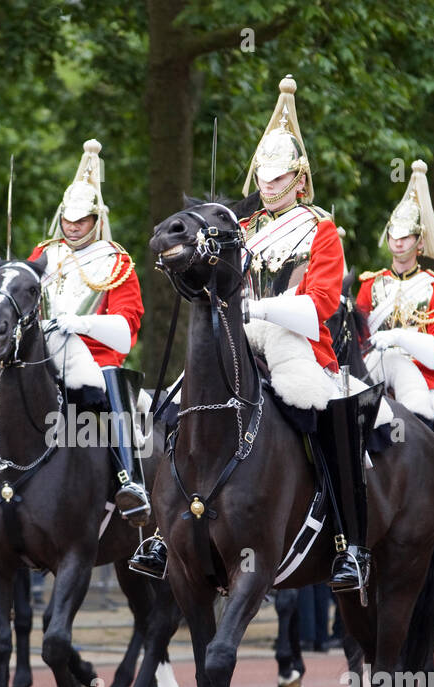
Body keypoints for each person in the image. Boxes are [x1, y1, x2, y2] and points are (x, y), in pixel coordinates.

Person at [131, 76, 375, 598]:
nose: (268, 184)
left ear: (299, 179)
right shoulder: (241, 228)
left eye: (279, 175)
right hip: (236, 334)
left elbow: (321, 305)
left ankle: (350, 544)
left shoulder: (320, 229)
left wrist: (257, 307)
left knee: (324, 409)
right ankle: (159, 531)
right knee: (176, 404)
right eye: (263, 176)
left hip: (295, 341)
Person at [0, 138, 148, 537]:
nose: (73, 226)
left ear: (97, 218)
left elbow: (126, 331)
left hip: (94, 353)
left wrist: (81, 324)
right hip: (38, 350)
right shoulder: (43, 253)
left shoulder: (116, 260)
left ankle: (128, 481)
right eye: (68, 219)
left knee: (109, 390)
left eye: (81, 220)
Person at [356, 161, 434, 551]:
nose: (398, 241)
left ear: (420, 242)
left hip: (420, 376)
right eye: (394, 234)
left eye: (407, 235)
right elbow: (357, 339)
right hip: (373, 371)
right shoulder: (369, 285)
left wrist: (398, 337)